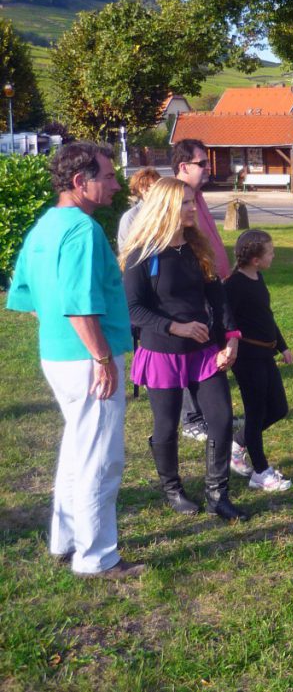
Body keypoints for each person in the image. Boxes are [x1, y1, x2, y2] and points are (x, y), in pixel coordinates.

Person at [6, 142, 143, 579]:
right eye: (107, 177)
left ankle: (65, 539)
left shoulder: (45, 225)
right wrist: (101, 357)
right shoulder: (82, 230)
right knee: (100, 457)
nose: (116, 185)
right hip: (88, 360)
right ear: (80, 183)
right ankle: (96, 556)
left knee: (77, 448)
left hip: (58, 356)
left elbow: (25, 295)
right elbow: (78, 306)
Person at [120, 178, 249, 521]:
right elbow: (132, 308)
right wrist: (174, 326)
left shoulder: (196, 248)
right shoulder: (142, 254)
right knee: (166, 425)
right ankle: (173, 490)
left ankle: (217, 495)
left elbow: (217, 298)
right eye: (186, 203)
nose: (193, 208)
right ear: (165, 207)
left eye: (192, 201)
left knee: (220, 419)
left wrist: (231, 337)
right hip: (162, 351)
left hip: (204, 351)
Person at [170, 138, 233, 442]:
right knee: (188, 351)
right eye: (202, 163)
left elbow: (209, 240)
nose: (208, 168)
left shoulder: (199, 197)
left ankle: (209, 412)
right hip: (191, 291)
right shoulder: (174, 199)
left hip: (213, 284)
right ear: (184, 166)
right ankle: (191, 418)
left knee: (208, 350)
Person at [224, 230, 293, 491]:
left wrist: (282, 346)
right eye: (270, 252)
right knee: (255, 413)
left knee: (278, 408)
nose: (273, 255)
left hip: (266, 353)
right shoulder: (233, 285)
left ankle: (238, 442)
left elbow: (266, 316)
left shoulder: (258, 277)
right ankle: (261, 472)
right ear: (255, 259)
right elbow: (224, 320)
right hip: (247, 357)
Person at [117, 167, 161, 251]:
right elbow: (125, 249)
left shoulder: (165, 212)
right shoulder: (131, 216)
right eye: (156, 186)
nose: (161, 190)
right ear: (142, 189)